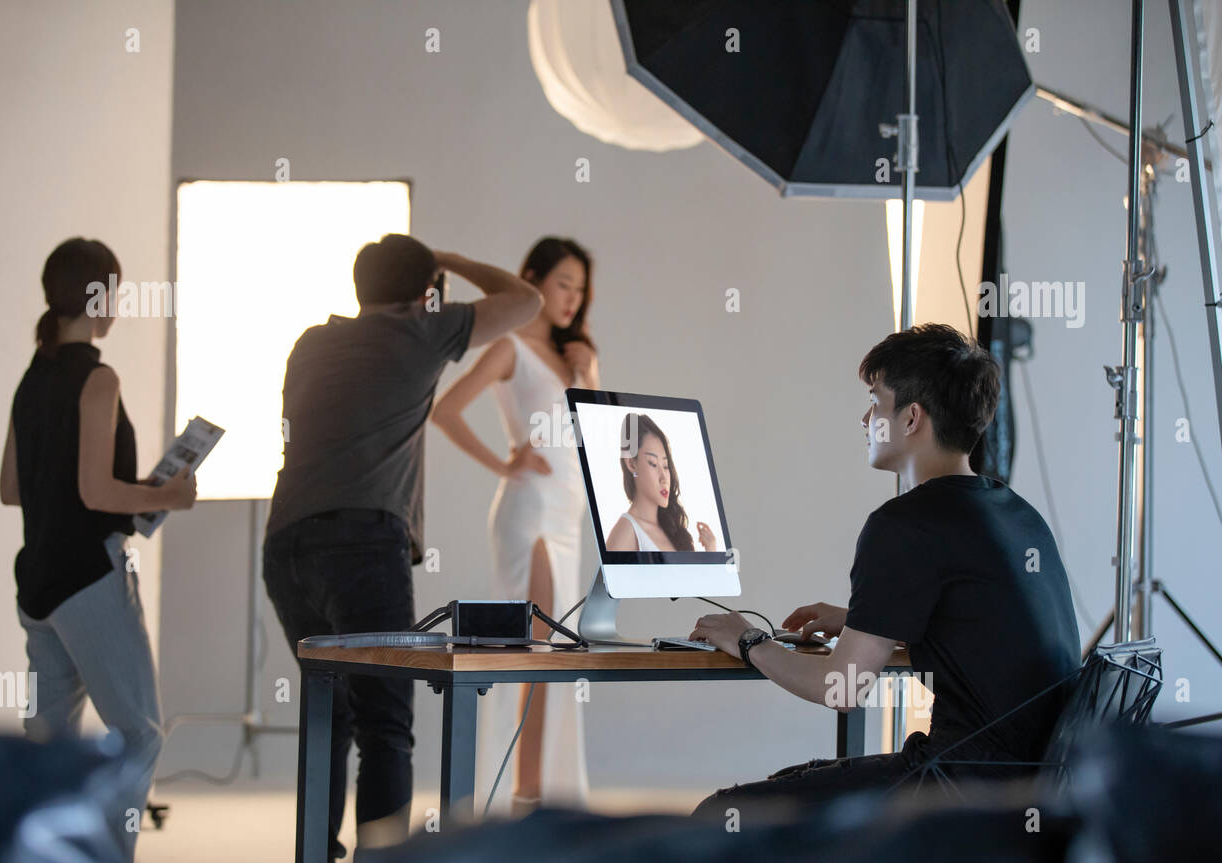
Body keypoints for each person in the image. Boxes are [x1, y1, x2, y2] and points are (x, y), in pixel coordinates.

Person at [688, 324, 1081, 820]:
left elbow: (842, 688)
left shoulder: (904, 524)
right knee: (785, 789)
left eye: (875, 401)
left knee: (721, 815)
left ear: (912, 417)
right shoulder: (1015, 513)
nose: (865, 417)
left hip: (961, 793)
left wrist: (748, 640)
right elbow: (985, 637)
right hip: (1030, 791)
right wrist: (866, 621)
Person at [263, 235, 542, 860]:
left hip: (285, 545)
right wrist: (455, 260)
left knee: (328, 711)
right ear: (425, 294)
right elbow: (524, 301)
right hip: (362, 544)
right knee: (385, 723)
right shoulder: (422, 331)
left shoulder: (311, 342)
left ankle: (316, 857)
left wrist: (429, 281)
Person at [0, 237, 197, 863]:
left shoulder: (33, 375)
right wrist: (168, 497)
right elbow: (93, 490)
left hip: (38, 586)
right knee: (137, 734)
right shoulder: (98, 376)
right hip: (88, 579)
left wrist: (135, 492)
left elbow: (11, 489)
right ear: (100, 296)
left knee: (49, 747)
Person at [431, 237, 597, 816]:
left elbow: (598, 437)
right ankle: (520, 797)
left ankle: (544, 794)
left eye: (581, 288)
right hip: (528, 510)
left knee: (560, 650)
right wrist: (506, 462)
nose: (573, 298)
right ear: (533, 280)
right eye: (562, 284)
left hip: (569, 513)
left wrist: (590, 371)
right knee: (537, 647)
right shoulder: (510, 347)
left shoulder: (574, 355)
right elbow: (444, 410)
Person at [605, 412, 717, 552]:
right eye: (653, 463)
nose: (664, 478)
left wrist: (711, 552)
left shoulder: (670, 528)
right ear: (631, 464)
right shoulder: (626, 531)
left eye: (665, 466)